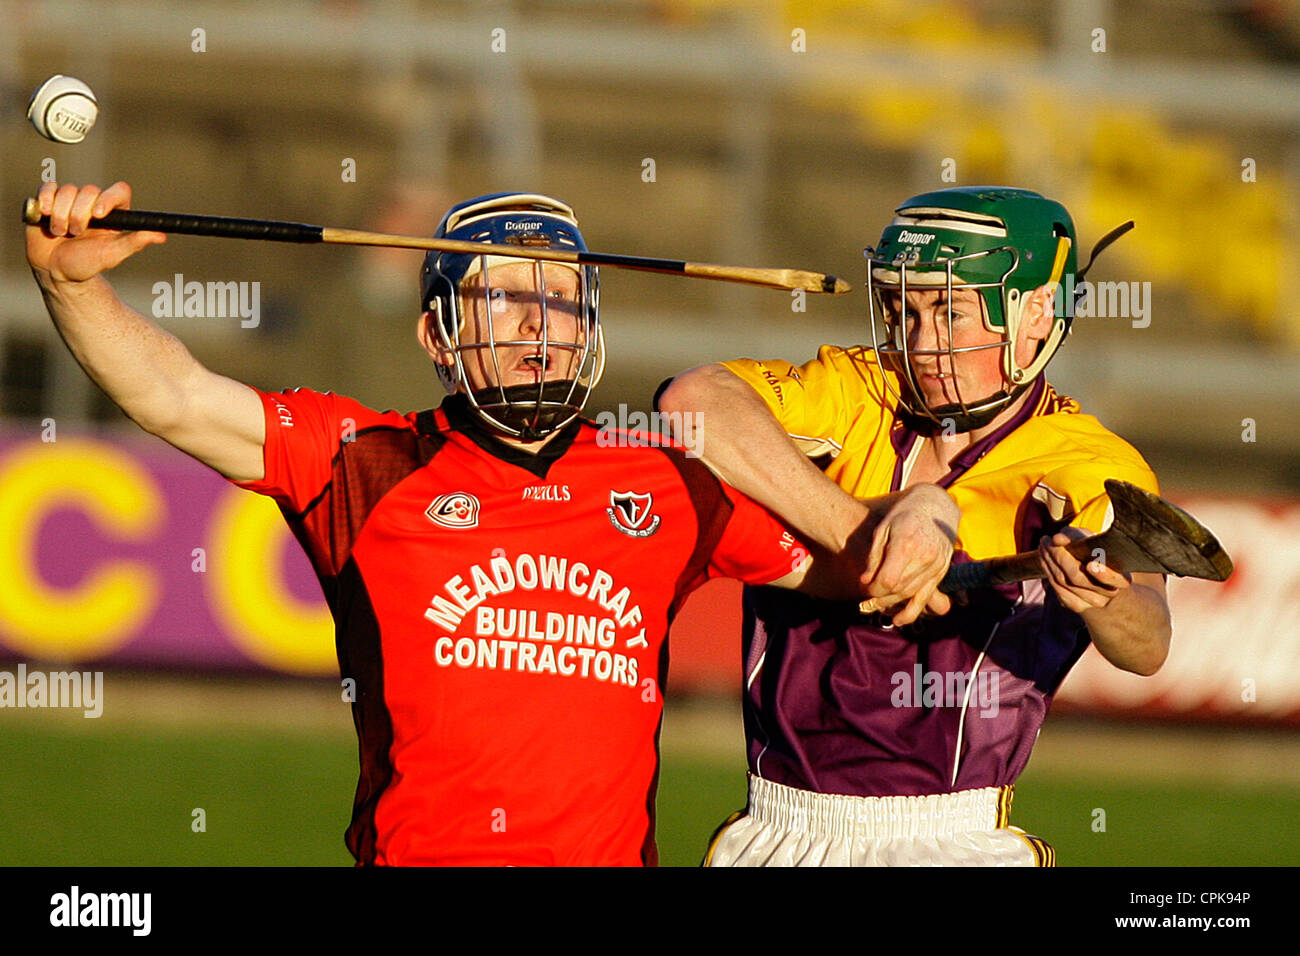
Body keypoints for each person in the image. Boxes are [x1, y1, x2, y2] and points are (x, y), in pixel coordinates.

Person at [26, 181, 957, 866]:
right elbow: (174, 396)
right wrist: (74, 287)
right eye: (499, 295)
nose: (533, 321)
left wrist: (925, 506)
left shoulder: (669, 477)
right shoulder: (361, 458)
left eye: (557, 292)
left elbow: (868, 567)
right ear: (436, 336)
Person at [657, 186, 1172, 866]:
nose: (922, 343)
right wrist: (876, 530)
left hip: (952, 836)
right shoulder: (854, 390)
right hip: (777, 825)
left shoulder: (1088, 461)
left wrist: (1104, 598)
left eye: (950, 311)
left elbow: (1149, 643)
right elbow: (692, 402)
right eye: (904, 307)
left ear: (1037, 315)